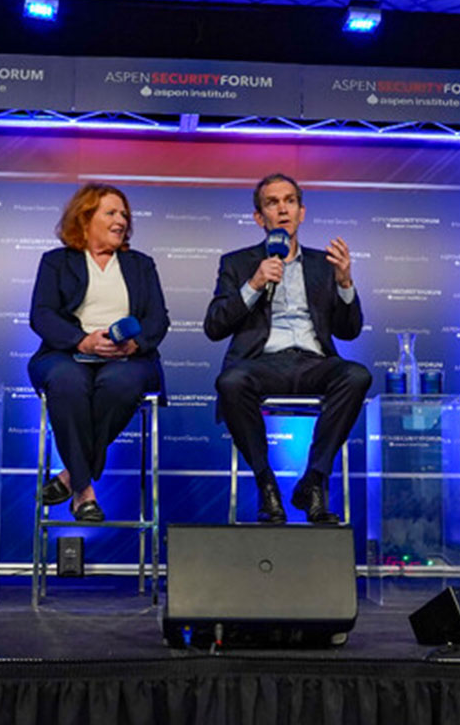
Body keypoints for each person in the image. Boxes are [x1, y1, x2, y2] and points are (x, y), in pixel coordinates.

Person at [204, 173, 371, 524]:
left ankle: (314, 479)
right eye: (272, 202)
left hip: (314, 362)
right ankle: (266, 484)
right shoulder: (237, 264)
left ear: (302, 212)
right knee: (231, 383)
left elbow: (350, 330)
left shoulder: (323, 266)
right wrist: (254, 283)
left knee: (356, 376)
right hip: (261, 363)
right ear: (259, 218)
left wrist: (344, 283)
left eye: (290, 201)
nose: (282, 209)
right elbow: (214, 326)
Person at [28, 184, 169, 522]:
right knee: (67, 383)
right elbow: (42, 314)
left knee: (120, 385)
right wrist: (82, 340)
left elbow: (158, 319)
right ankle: (84, 491)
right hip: (68, 354)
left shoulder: (140, 264)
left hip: (128, 359)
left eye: (124, 214)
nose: (121, 220)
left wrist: (134, 344)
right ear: (86, 218)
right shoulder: (56, 262)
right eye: (111, 213)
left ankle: (70, 478)